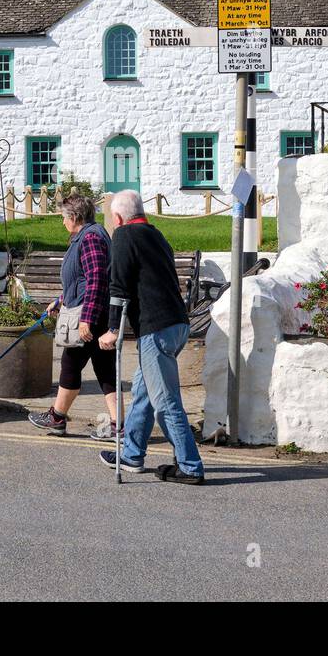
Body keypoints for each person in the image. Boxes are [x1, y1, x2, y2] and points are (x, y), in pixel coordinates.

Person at [97, 189, 204, 485]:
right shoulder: (155, 234)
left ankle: (190, 466)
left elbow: (118, 288)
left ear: (117, 217)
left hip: (155, 329)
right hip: (177, 325)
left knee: (166, 402)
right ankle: (131, 454)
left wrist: (112, 330)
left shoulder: (122, 236)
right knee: (144, 394)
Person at [28, 194, 119, 439]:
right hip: (91, 311)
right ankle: (118, 424)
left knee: (70, 364)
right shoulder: (87, 236)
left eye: (63, 217)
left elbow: (96, 280)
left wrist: (86, 320)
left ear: (74, 216)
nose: (63, 222)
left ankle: (57, 418)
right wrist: (60, 300)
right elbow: (79, 278)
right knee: (104, 369)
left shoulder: (89, 238)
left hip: (89, 314)